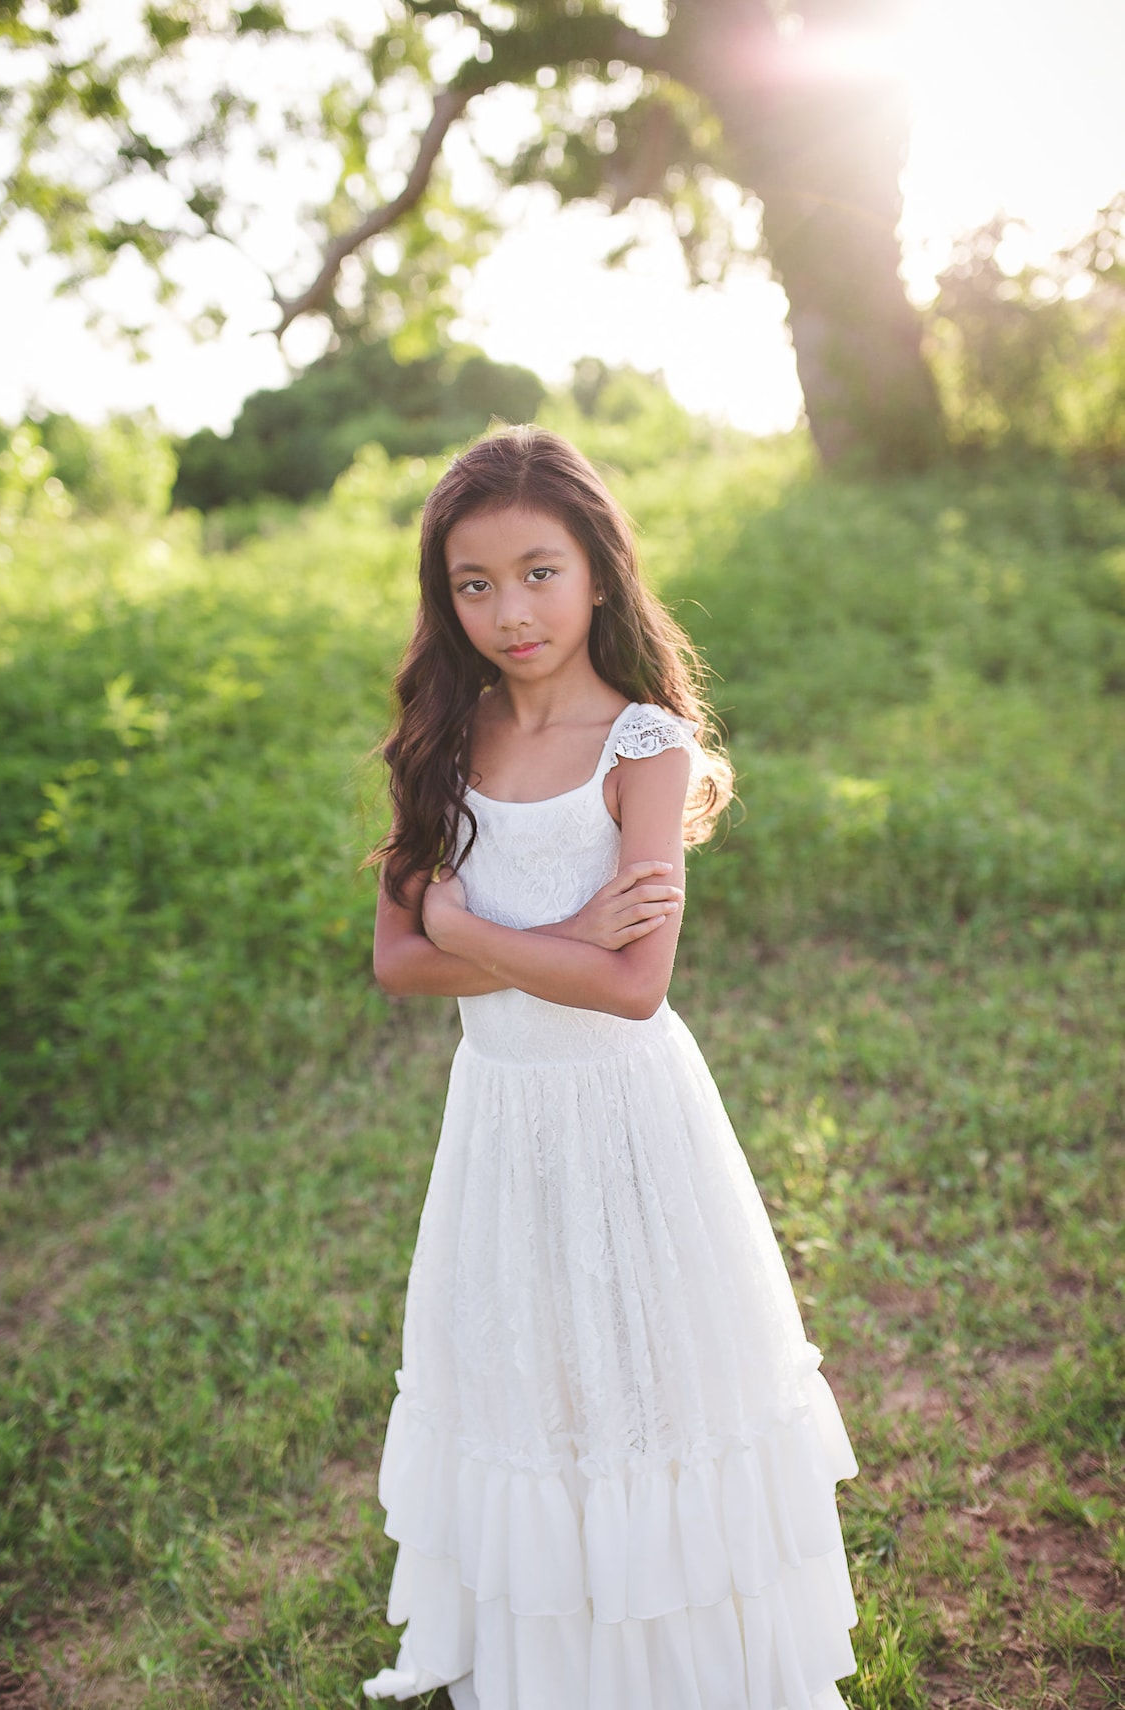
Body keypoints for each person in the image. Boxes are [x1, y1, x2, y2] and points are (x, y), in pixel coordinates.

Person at [362, 428, 858, 1710]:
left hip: (630, 1120)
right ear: (445, 598)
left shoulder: (642, 746)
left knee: (657, 1383)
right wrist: (559, 941)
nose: (509, 611)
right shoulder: (445, 734)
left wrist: (473, 928)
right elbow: (395, 966)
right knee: (534, 1381)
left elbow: (634, 989)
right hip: (502, 1116)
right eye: (474, 585)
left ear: (597, 572)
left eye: (538, 572)